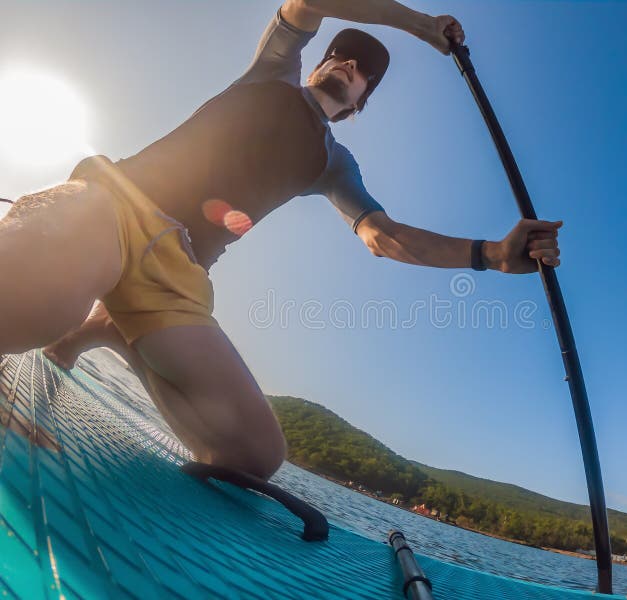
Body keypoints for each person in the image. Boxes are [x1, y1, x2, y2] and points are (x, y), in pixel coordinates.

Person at [0, 0, 562, 481]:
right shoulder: (272, 72)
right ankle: (72, 316)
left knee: (252, 456)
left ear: (362, 104)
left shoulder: (334, 165)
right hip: (120, 205)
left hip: (178, 278)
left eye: (365, 70)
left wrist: (489, 254)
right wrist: (419, 26)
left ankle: (115, 331)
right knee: (35, 307)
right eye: (342, 54)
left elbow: (383, 236)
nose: (350, 63)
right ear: (318, 63)